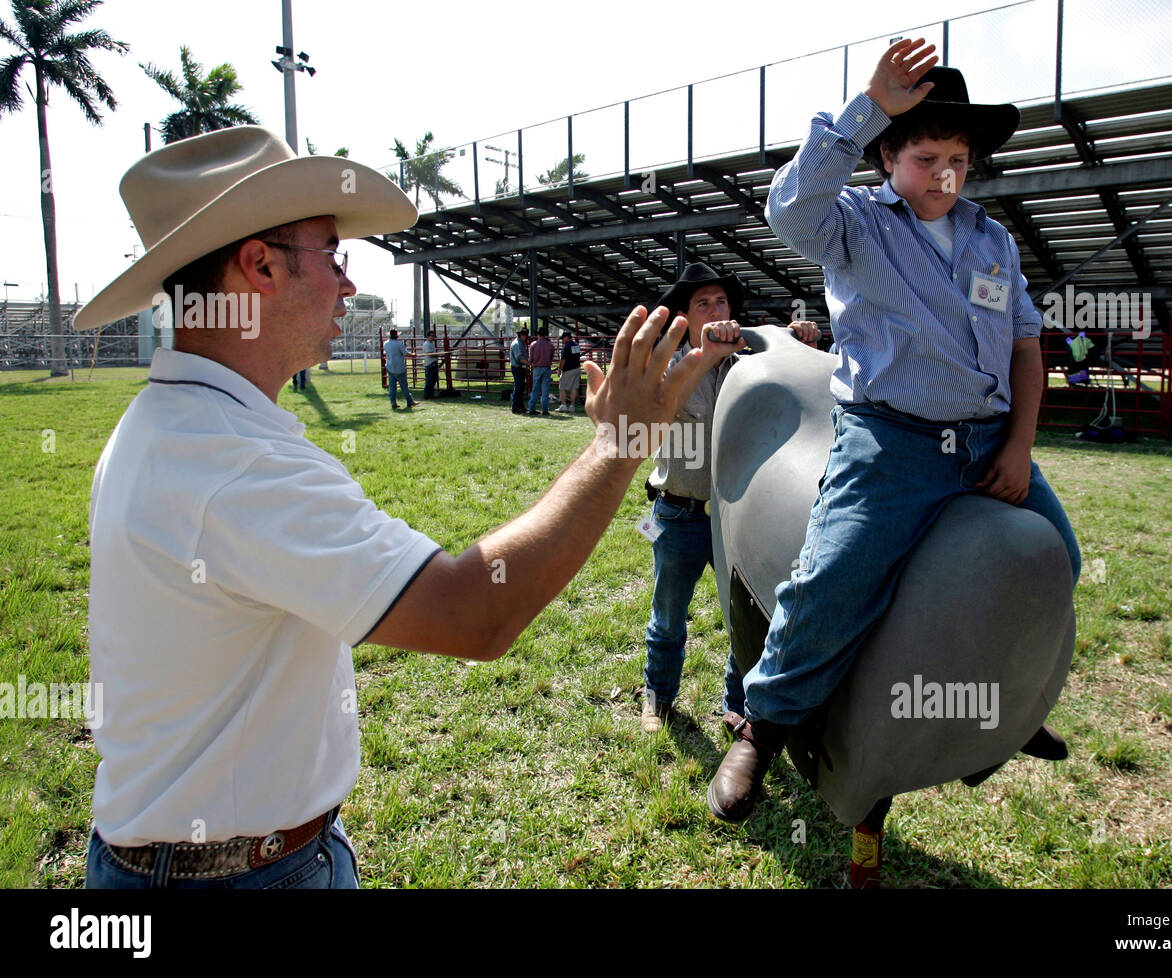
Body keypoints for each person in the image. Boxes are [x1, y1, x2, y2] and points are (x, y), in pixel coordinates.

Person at [71, 125, 738, 888]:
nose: (347, 285)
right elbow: (470, 614)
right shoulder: (235, 462)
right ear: (258, 265)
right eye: (331, 255)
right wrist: (619, 444)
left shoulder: (170, 427)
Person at [706, 41, 1083, 821]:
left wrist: (1019, 446)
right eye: (922, 157)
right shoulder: (853, 226)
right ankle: (765, 724)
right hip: (893, 441)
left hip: (987, 438)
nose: (941, 175)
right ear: (886, 156)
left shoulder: (993, 239)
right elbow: (788, 207)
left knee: (1062, 560)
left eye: (956, 159)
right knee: (836, 573)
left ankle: (1008, 704)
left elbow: (1024, 345)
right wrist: (866, 106)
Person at [640, 262, 819, 733]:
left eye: (722, 302)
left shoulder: (755, 366)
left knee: (748, 620)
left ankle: (736, 707)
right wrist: (705, 356)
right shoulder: (671, 368)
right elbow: (644, 425)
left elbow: (802, 393)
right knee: (668, 616)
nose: (717, 310)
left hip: (736, 517)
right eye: (704, 304)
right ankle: (657, 696)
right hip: (678, 511)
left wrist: (798, 347)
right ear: (685, 318)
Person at [383, 328, 415, 410]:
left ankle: (393, 402)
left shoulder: (385, 343)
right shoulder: (399, 343)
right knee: (404, 386)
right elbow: (405, 353)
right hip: (399, 367)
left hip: (390, 366)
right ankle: (410, 401)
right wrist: (413, 355)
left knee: (392, 387)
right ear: (397, 335)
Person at [526, 325, 555, 416]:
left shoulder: (533, 344)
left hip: (537, 368)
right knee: (545, 390)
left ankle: (532, 408)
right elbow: (551, 357)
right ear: (546, 334)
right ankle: (545, 410)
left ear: (538, 334)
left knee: (535, 389)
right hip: (546, 368)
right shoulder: (550, 345)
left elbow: (530, 359)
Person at [557, 330, 583, 413]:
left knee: (562, 387)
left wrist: (559, 369)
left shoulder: (566, 346)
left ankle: (563, 405)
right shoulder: (576, 345)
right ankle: (572, 406)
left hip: (568, 369)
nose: (562, 341)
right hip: (577, 368)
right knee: (574, 388)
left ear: (566, 338)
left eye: (563, 339)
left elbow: (563, 359)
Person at [508, 327, 529, 414]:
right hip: (518, 367)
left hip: (518, 367)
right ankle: (516, 406)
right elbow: (520, 358)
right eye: (525, 335)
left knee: (520, 387)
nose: (526, 337)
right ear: (522, 335)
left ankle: (519, 406)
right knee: (519, 387)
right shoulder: (517, 344)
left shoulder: (519, 343)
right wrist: (529, 363)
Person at [421, 328, 439, 399]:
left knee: (433, 380)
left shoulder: (431, 344)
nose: (433, 337)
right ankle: (427, 395)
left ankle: (430, 394)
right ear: (428, 336)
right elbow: (430, 354)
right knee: (429, 380)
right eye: (431, 335)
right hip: (430, 364)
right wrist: (438, 354)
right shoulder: (427, 344)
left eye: (434, 336)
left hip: (433, 364)